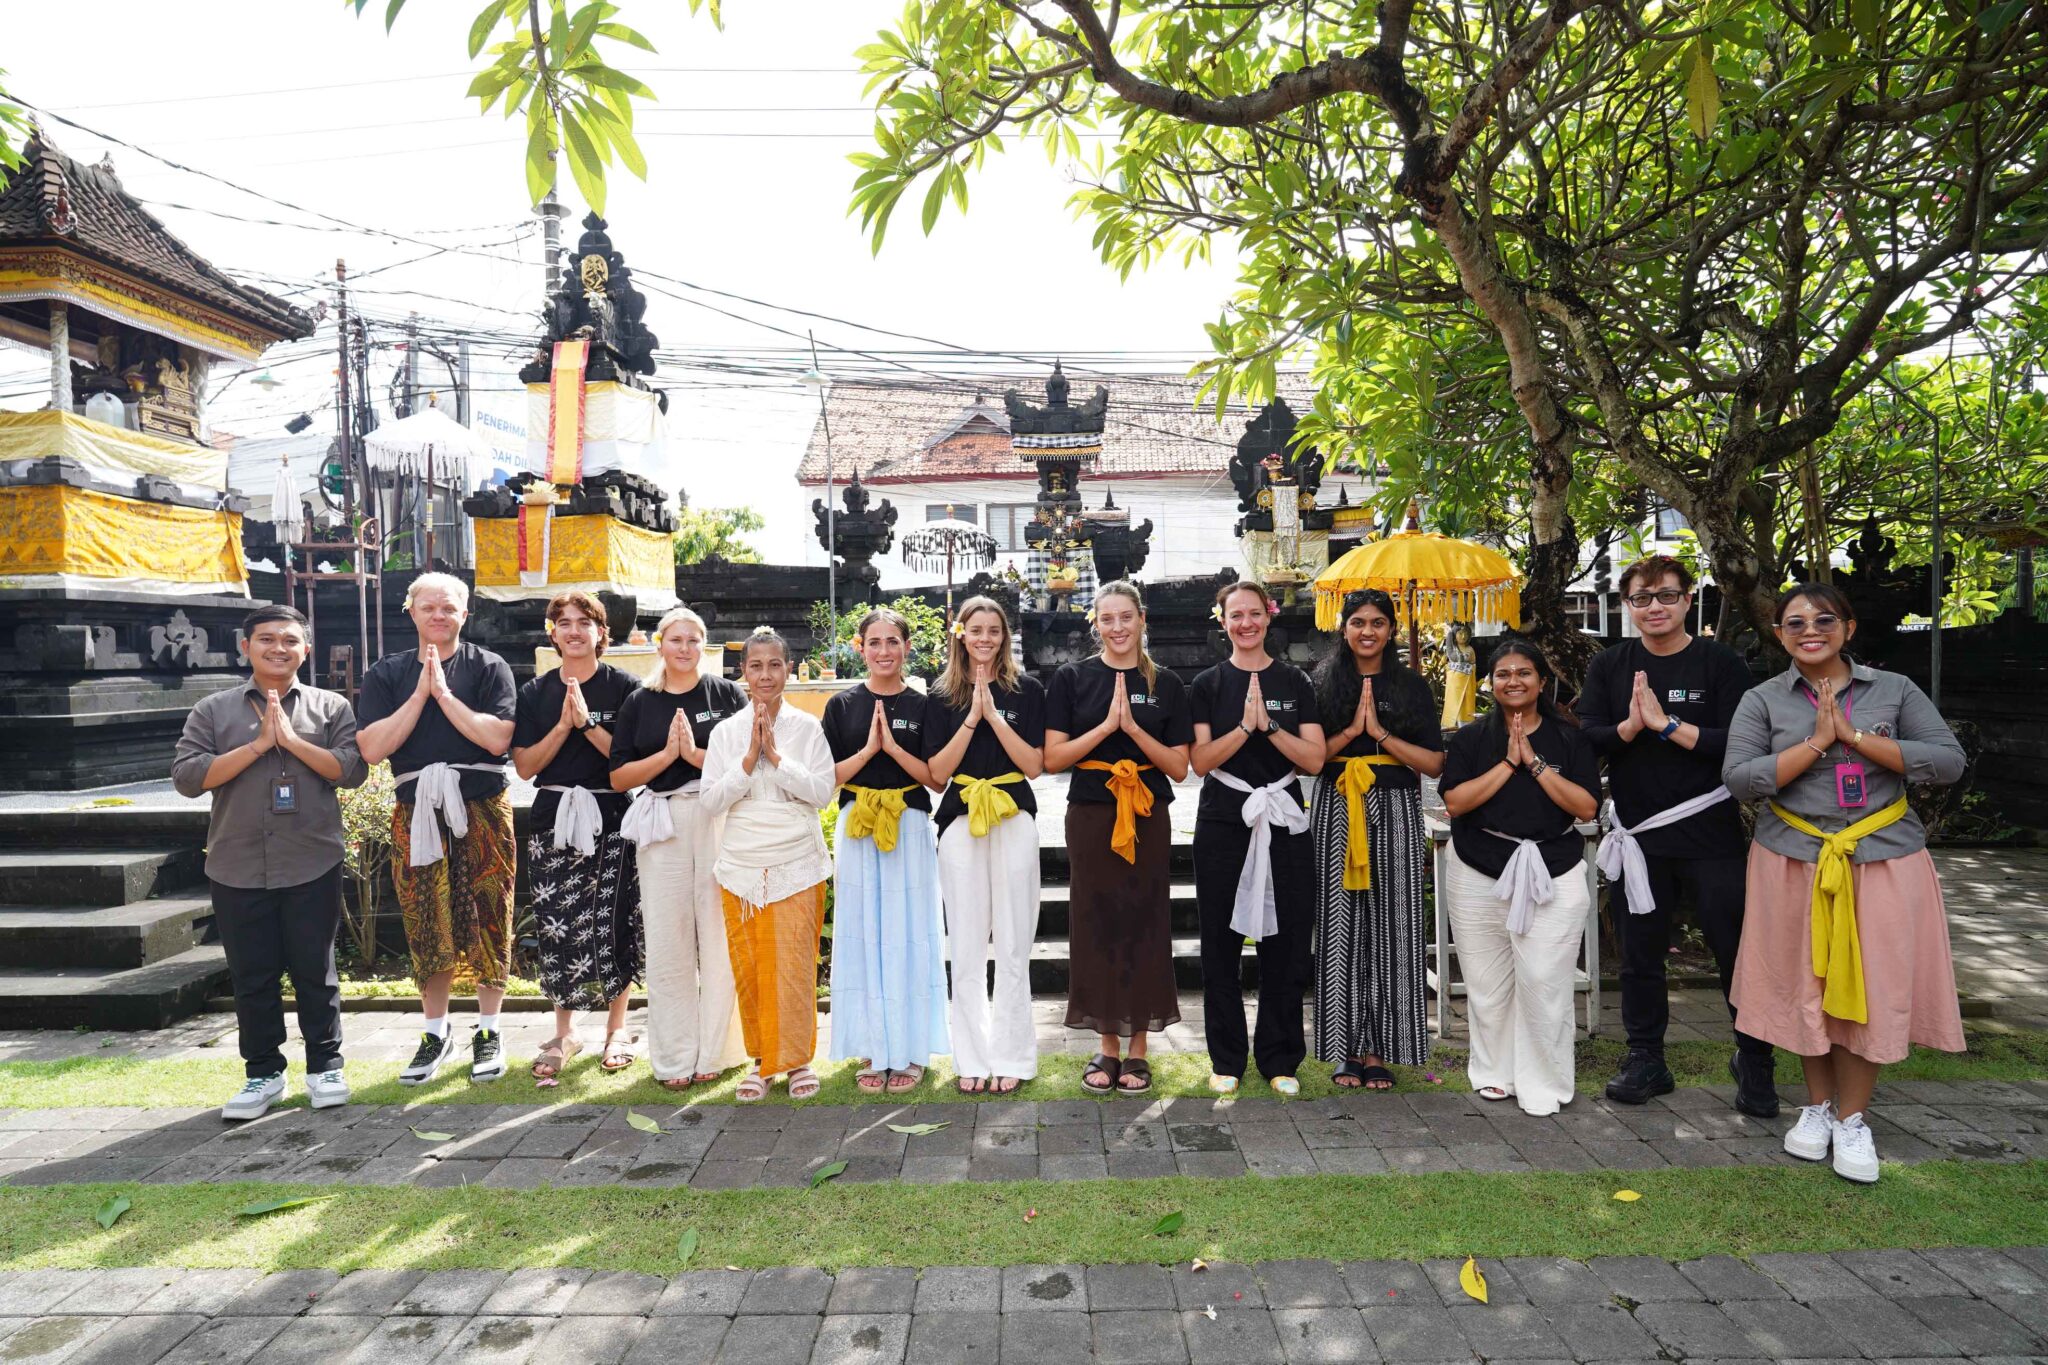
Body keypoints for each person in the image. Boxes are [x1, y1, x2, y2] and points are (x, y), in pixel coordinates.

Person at [1723, 583, 1966, 1183]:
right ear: (1779, 634)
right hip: (1792, 858)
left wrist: (1856, 738)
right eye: (1795, 622)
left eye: (1825, 618)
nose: (1811, 629)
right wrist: (1816, 743)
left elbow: (1947, 761)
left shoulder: (1894, 690)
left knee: (1873, 986)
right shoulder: (1763, 700)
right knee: (1807, 983)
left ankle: (1853, 1119)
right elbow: (1741, 778)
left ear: (1849, 628)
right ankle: (1816, 1108)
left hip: (1882, 858)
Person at [1578, 555, 1774, 1115]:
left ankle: (1755, 1057)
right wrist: (1629, 726)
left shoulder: (1719, 662)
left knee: (1732, 946)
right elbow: (1588, 736)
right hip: (1639, 835)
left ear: (1689, 600)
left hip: (1709, 831)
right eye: (1642, 598)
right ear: (1627, 606)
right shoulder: (1611, 665)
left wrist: (1668, 726)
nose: (1655, 607)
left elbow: (1741, 743)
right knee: (1640, 954)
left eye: (1667, 595)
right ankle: (1646, 1057)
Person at [172, 605, 368, 1121]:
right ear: (245, 647)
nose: (277, 649)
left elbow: (351, 772)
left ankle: (326, 1065)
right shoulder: (214, 710)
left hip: (312, 859)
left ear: (306, 649)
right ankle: (263, 1073)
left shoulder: (330, 708)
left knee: (315, 971)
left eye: (289, 640)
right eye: (266, 639)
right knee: (252, 975)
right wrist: (259, 746)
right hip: (236, 863)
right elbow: (189, 778)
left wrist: (293, 742)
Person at [356, 572, 518, 1085]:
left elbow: (497, 741)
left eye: (449, 608)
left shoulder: (489, 667)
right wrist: (420, 695)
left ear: (464, 615)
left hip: (483, 806)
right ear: (412, 612)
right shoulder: (387, 674)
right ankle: (435, 1032)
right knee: (426, 917)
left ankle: (489, 1029)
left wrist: (446, 696)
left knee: (492, 909)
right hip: (417, 811)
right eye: (429, 608)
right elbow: (373, 749)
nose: (439, 616)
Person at [1439, 639, 1601, 1116]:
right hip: (1478, 864)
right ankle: (1494, 1071)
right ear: (1490, 683)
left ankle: (1544, 1081)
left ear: (1542, 681)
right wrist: (1508, 762)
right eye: (1504, 673)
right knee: (1487, 982)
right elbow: (1456, 803)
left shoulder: (1570, 738)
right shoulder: (1471, 739)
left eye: (1524, 672)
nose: (1514, 681)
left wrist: (1533, 762)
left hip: (1554, 867)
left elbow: (1586, 807)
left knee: (1545, 980)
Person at [1044, 580, 1193, 1096]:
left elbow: (1178, 767)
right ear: (1096, 625)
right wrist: (1108, 727)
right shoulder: (1072, 678)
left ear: (1141, 619)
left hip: (1147, 811)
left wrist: (1134, 731)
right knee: (1096, 919)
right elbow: (1053, 759)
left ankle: (1139, 1050)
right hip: (1091, 812)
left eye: (1125, 617)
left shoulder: (1167, 682)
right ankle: (1106, 1044)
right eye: (1106, 619)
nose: (1117, 628)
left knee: (1145, 918)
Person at [1189, 580, 1325, 1096]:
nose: (1245, 623)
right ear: (1221, 621)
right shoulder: (1206, 684)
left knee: (1287, 941)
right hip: (1225, 817)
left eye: (1253, 614)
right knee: (1220, 943)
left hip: (1285, 816)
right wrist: (1243, 730)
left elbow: (1313, 759)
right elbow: (1198, 762)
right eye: (1234, 615)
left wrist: (1268, 726)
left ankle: (1280, 1058)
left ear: (1268, 617)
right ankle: (1226, 1058)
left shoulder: (1295, 681)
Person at [1309, 589, 1444, 1091]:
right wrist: (1352, 733)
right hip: (1338, 807)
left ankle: (1379, 1048)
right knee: (1338, 924)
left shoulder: (1411, 686)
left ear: (1391, 629)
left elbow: (1433, 763)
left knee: (1395, 924)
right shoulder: (1322, 682)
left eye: (1379, 623)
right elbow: (1310, 758)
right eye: (1358, 622)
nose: (1368, 631)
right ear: (1343, 628)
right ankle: (1343, 1048)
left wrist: (1382, 735)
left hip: (1395, 808)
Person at [610, 606, 749, 1090]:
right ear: (660, 645)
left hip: (717, 816)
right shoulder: (640, 702)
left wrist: (694, 757)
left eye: (693, 641)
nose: (685, 649)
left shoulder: (727, 695)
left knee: (717, 936)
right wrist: (667, 758)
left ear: (703, 645)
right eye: (676, 640)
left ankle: (717, 1051)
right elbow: (619, 775)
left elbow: (746, 762)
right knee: (668, 941)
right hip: (662, 820)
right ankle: (672, 1058)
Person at [699, 626, 837, 1101]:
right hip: (741, 865)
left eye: (774, 665)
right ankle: (762, 1062)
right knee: (752, 966)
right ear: (743, 674)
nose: (765, 675)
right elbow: (711, 801)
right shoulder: (724, 733)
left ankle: (797, 1061)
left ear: (788, 669)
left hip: (796, 861)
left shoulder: (807, 728)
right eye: (755, 666)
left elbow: (822, 793)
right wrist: (748, 761)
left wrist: (776, 758)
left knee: (794, 966)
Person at [511, 592, 641, 1084]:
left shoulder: (625, 689)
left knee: (613, 918)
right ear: (552, 633)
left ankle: (617, 1027)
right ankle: (564, 1030)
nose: (573, 631)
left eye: (584, 622)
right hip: (553, 813)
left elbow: (627, 763)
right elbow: (525, 766)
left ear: (601, 633)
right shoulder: (536, 693)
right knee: (557, 923)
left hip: (611, 812)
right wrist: (563, 725)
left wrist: (586, 725)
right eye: (563, 623)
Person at [822, 608, 949, 1095]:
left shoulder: (925, 705)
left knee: (909, 931)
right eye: (874, 642)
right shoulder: (842, 705)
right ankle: (874, 1048)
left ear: (906, 647)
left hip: (910, 823)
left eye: (892, 641)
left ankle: (912, 1051)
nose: (883, 651)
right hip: (858, 825)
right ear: (860, 648)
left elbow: (937, 779)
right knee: (864, 931)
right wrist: (867, 751)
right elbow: (827, 777)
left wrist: (893, 750)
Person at [923, 596, 1045, 1095]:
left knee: (1014, 940)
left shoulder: (1028, 690)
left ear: (1004, 637)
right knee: (968, 944)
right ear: (961, 635)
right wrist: (972, 717)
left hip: (1014, 812)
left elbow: (1035, 765)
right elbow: (935, 775)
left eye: (994, 630)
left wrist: (995, 716)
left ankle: (1013, 1054)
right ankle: (970, 1057)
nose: (985, 638)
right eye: (976, 630)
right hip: (961, 816)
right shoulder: (940, 696)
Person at [1441, 621, 1477, 729]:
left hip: (1467, 684)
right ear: (1454, 635)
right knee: (1453, 704)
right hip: (1454, 683)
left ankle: (1465, 726)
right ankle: (1450, 725)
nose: (1463, 636)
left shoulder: (1470, 649)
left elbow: (1471, 663)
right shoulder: (1452, 649)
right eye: (1460, 633)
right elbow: (1451, 659)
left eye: (1466, 633)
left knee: (1465, 707)